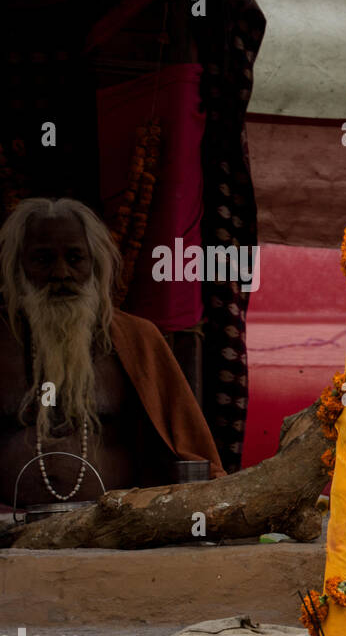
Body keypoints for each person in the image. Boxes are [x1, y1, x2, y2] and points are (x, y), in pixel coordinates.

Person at [0, 198, 224, 513]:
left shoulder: (137, 338)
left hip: (117, 527)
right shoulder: (4, 340)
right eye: (43, 259)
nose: (60, 272)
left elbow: (190, 448)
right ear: (18, 266)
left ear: (96, 264)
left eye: (75, 258)